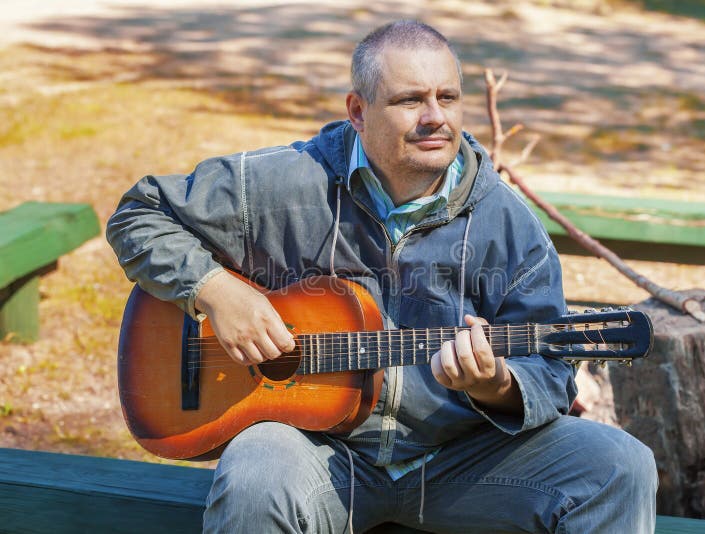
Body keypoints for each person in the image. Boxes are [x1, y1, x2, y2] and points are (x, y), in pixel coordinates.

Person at [107, 20, 657, 534]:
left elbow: (551, 370)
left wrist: (497, 386)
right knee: (255, 472)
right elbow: (140, 213)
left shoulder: (507, 223)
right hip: (318, 452)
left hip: (463, 459)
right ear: (358, 111)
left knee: (618, 465)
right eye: (410, 100)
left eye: (448, 97)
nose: (435, 117)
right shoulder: (284, 183)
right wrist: (215, 291)